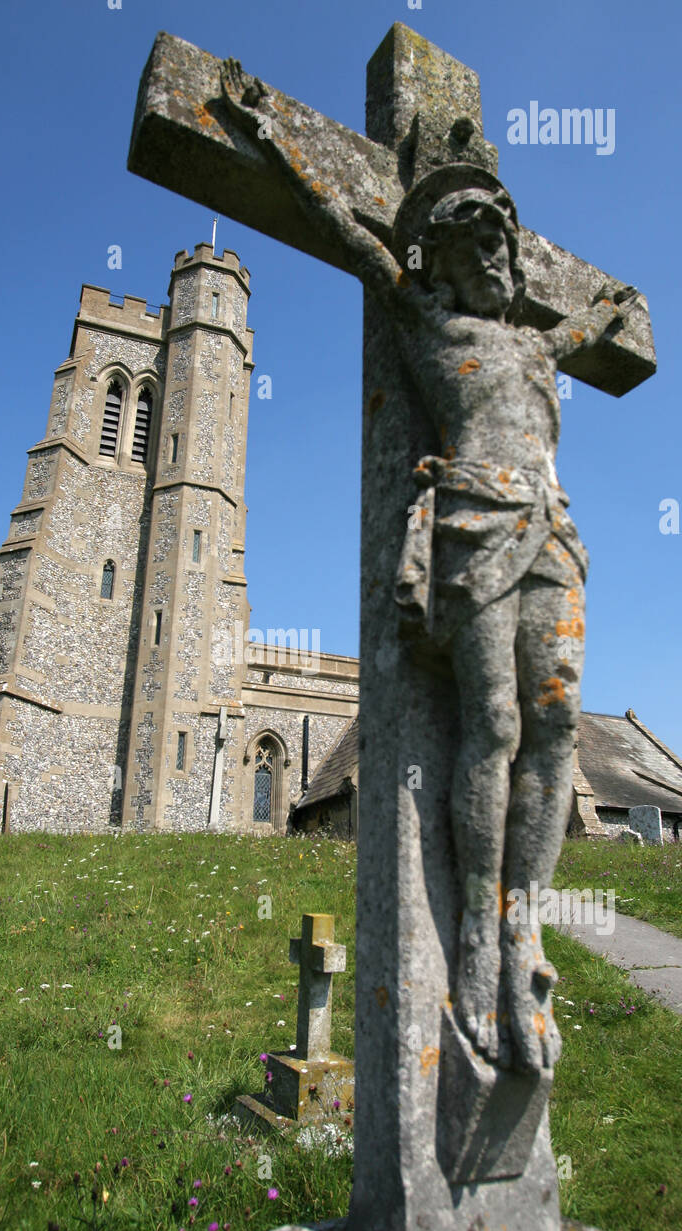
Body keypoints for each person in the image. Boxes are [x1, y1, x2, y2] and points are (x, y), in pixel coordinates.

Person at [221, 59, 637, 1072]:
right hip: (471, 522)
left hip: (553, 531)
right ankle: (471, 932)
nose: (498, 255)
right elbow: (345, 225)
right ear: (444, 256)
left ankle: (519, 925)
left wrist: (620, 308)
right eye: (479, 241)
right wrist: (268, 136)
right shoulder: (424, 315)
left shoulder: (538, 345)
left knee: (551, 726)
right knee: (490, 722)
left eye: (503, 239)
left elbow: (603, 319)